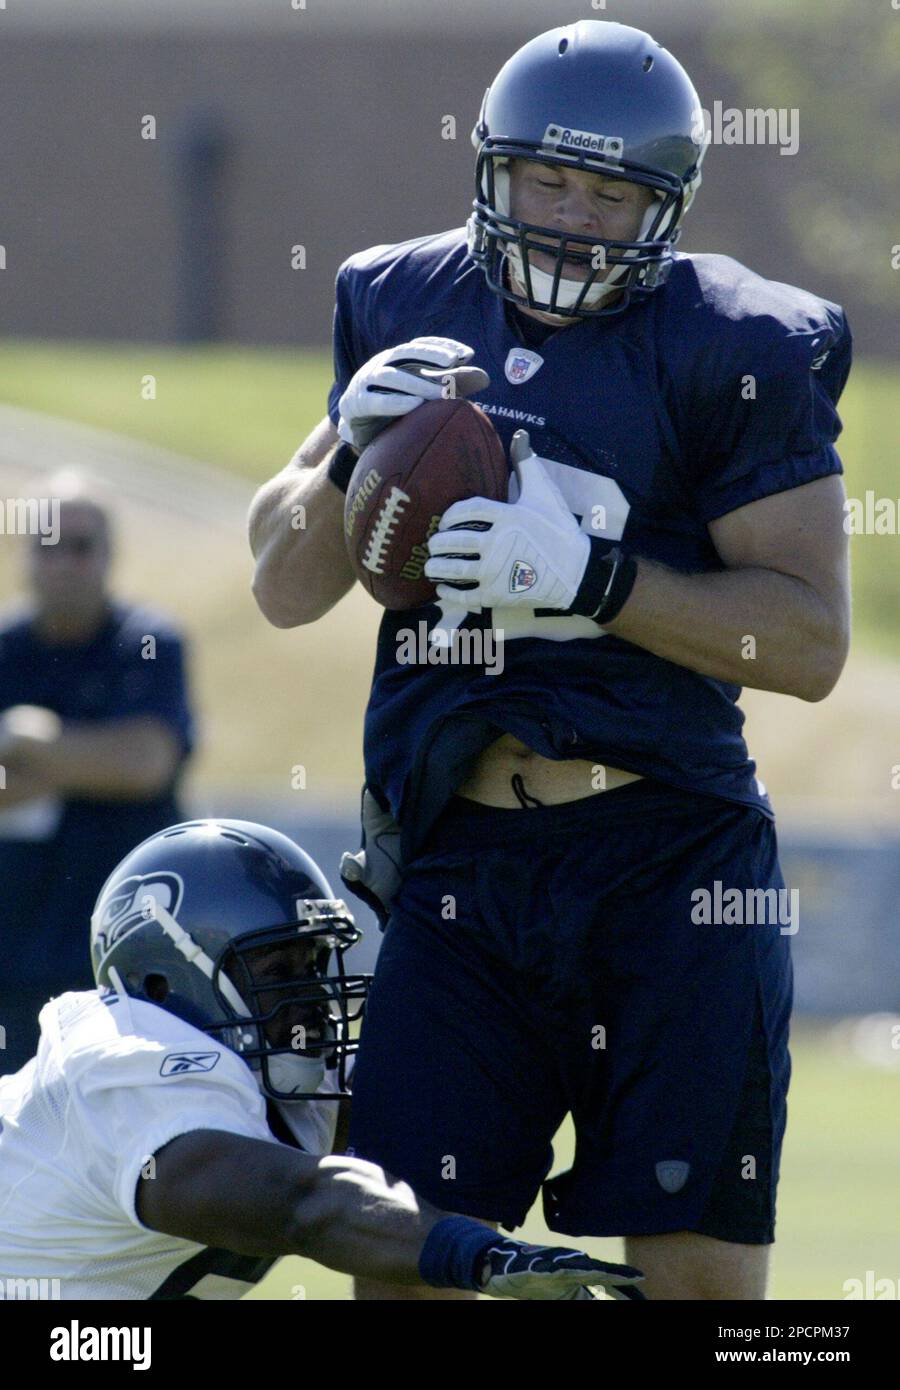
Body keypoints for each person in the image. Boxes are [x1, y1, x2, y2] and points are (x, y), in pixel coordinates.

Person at [248, 20, 852, 1300]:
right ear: (492, 170)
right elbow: (282, 586)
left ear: (666, 204)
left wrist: (594, 580)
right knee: (403, 1265)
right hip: (459, 860)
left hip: (668, 864)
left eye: (612, 191)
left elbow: (807, 642)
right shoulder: (401, 299)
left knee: (697, 1286)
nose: (575, 218)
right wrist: (351, 453)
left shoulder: (734, 345)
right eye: (549, 182)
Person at [0, 818, 643, 1301]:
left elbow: (414, 1128)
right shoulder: (122, 1061)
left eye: (314, 964)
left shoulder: (276, 1072)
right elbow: (305, 1202)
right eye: (281, 970)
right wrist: (483, 1256)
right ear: (167, 980)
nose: (312, 999)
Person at [0, 476, 194, 1072]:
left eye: (81, 546)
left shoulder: (147, 642)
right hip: (13, 952)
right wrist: (90, 762)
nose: (63, 563)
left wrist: (35, 743)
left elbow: (146, 764)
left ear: (109, 556)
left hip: (123, 955)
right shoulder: (5, 649)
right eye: (48, 545)